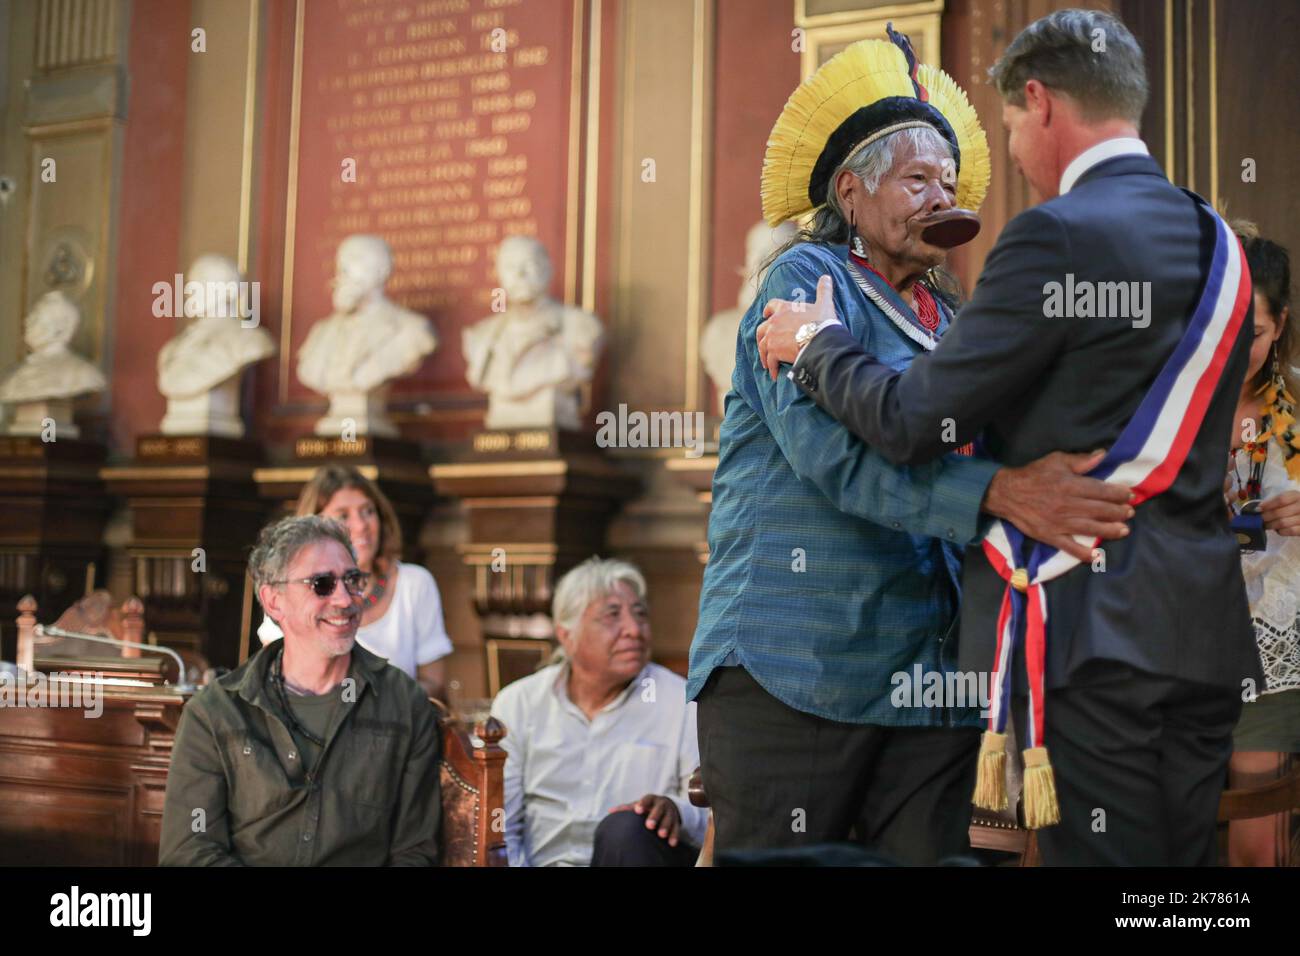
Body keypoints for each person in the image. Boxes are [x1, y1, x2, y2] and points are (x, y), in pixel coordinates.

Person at [757, 9, 1260, 865]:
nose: (1011, 154)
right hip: (1202, 634)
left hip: (1091, 632)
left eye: (1012, 126)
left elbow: (916, 418)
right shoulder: (1218, 241)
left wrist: (814, 344)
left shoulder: (1056, 234)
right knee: (1182, 889)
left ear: (1040, 102)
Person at [688, 25, 1133, 864]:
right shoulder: (804, 283)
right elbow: (835, 462)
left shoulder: (957, 316)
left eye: (950, 180)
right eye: (917, 178)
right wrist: (1000, 493)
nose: (942, 196)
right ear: (850, 192)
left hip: (930, 677)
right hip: (797, 661)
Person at [160, 515, 441, 865]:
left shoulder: (404, 703)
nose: (344, 600)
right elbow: (189, 852)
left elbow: (415, 853)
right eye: (321, 584)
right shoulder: (215, 712)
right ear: (274, 601)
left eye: (352, 580)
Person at [491, 557, 708, 866]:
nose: (634, 630)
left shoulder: (681, 701)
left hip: (632, 857)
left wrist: (675, 810)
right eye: (612, 616)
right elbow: (500, 827)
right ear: (567, 635)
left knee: (628, 828)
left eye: (640, 614)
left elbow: (711, 815)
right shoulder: (518, 704)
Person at [1226, 225, 1300, 866]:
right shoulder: (1166, 402)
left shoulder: (1297, 403)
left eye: (1250, 334)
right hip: (1167, 643)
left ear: (1278, 326)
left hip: (1271, 644)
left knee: (1256, 842)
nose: (1230, 349)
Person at [259, 465, 452, 702]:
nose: (361, 525)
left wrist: (380, 708)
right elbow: (284, 685)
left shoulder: (415, 583)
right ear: (315, 526)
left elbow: (435, 685)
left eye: (368, 511)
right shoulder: (290, 590)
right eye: (343, 515)